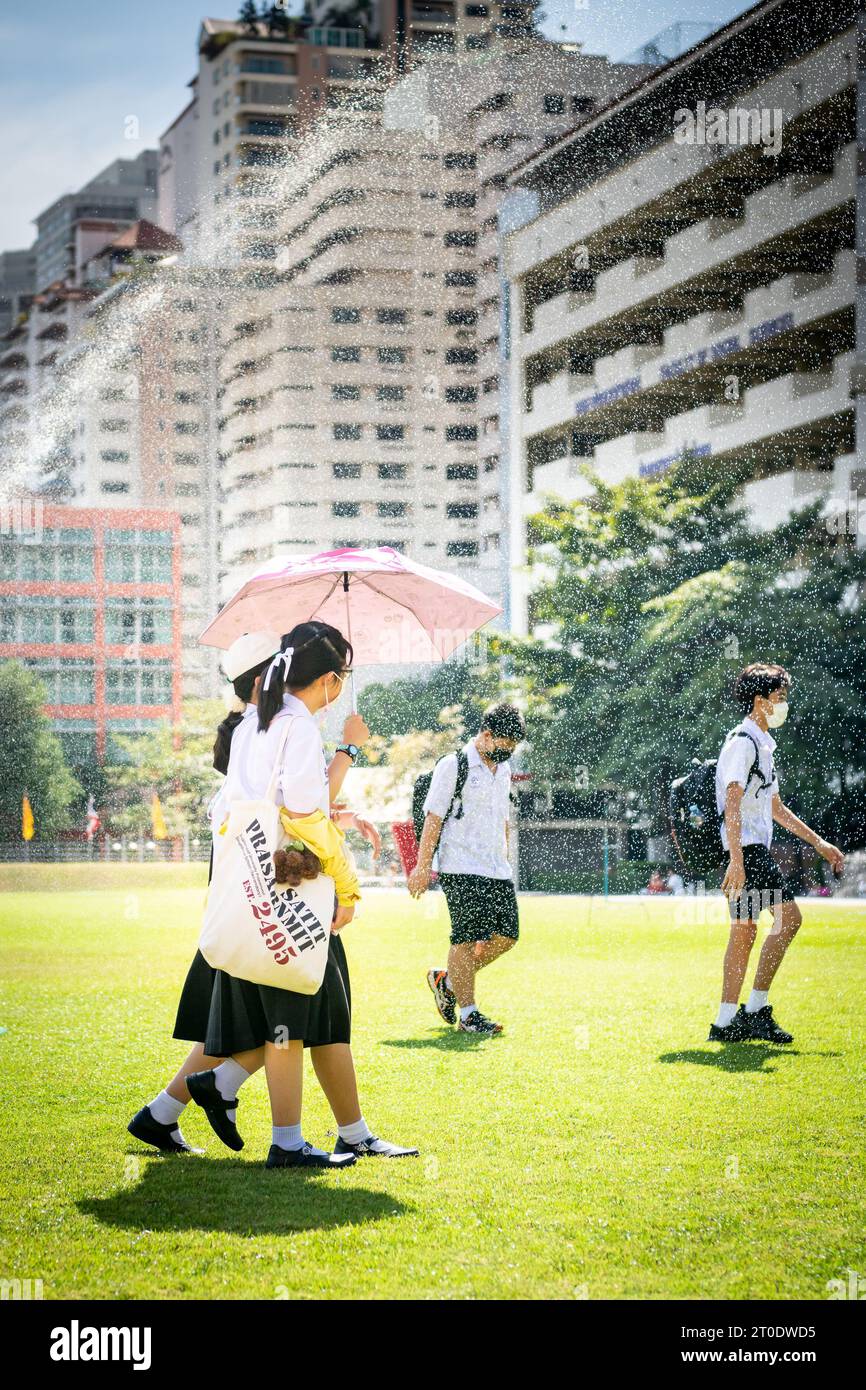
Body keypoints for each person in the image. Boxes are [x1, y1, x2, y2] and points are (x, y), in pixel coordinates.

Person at [129, 625, 417, 1166]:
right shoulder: (296, 727)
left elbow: (278, 805)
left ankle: (189, 1106)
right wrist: (347, 882)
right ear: (330, 679)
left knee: (315, 1006)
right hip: (290, 887)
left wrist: (335, 795)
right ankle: (282, 1134)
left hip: (253, 885)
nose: (342, 688)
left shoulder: (255, 725)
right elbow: (302, 813)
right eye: (343, 678)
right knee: (290, 1010)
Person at [709, 663, 844, 1045]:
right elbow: (731, 805)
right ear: (759, 701)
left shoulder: (764, 744)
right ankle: (754, 1010)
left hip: (747, 849)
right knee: (788, 919)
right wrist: (736, 859)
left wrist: (819, 843)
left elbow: (775, 807)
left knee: (745, 932)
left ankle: (725, 1022)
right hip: (746, 850)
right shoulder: (742, 742)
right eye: (779, 698)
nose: (784, 705)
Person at [408, 703, 526, 1036]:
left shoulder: (501, 770)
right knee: (465, 937)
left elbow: (503, 817)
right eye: (505, 745)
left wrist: (504, 858)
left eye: (513, 748)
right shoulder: (453, 765)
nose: (508, 752)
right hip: (459, 865)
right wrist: (422, 866)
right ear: (487, 736)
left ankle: (448, 982)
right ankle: (469, 1014)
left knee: (507, 937)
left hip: (495, 868)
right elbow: (433, 817)